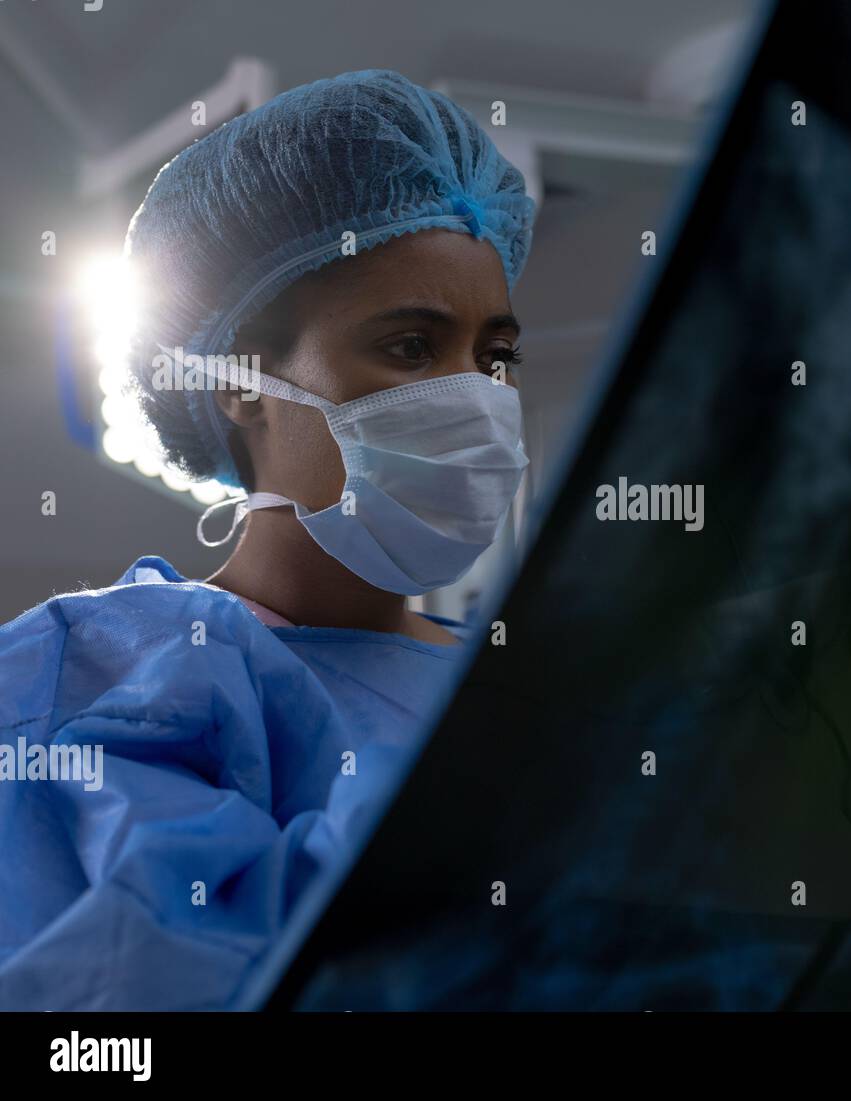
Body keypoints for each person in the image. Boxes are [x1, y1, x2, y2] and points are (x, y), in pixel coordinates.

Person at [0, 70, 535, 1010]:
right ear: (243, 380)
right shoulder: (94, 673)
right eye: (411, 347)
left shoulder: (531, 677)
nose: (477, 401)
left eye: (496, 358)